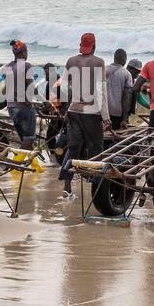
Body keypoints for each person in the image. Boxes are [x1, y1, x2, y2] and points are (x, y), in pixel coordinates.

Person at [59, 33, 109, 199]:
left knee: (73, 149)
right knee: (96, 149)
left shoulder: (71, 61)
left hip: (74, 111)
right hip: (91, 112)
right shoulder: (99, 62)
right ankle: (96, 186)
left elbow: (64, 87)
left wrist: (66, 109)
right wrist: (106, 117)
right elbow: (101, 91)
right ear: (94, 46)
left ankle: (67, 187)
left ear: (81, 46)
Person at [3, 40, 37, 150]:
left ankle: (27, 164)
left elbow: (6, 89)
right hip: (23, 108)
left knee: (24, 139)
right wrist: (44, 102)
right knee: (29, 139)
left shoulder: (8, 66)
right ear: (23, 53)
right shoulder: (26, 66)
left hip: (11, 108)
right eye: (26, 51)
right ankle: (18, 164)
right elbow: (31, 87)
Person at [105, 48, 133, 131]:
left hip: (102, 111)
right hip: (117, 112)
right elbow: (125, 98)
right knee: (114, 136)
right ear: (125, 60)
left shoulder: (103, 69)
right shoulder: (126, 74)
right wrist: (124, 119)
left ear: (114, 58)